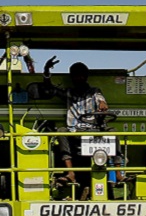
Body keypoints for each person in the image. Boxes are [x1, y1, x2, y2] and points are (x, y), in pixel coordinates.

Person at [39, 60, 108, 188]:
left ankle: (118, 173)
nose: (79, 79)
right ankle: (70, 172)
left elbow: (101, 100)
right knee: (61, 131)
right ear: (72, 78)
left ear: (86, 77)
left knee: (112, 133)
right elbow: (50, 89)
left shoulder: (94, 92)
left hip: (92, 131)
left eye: (81, 76)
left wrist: (102, 104)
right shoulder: (69, 93)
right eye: (76, 76)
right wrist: (46, 71)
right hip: (74, 131)